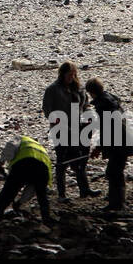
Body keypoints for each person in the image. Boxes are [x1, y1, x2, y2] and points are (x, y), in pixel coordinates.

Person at [85, 77, 133, 212]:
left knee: (113, 172)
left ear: (91, 92)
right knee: (116, 171)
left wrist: (98, 147)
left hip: (119, 144)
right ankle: (117, 199)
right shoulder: (111, 101)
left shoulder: (103, 106)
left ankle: (116, 203)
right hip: (124, 141)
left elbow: (107, 130)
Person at [42, 61, 94, 200]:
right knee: (62, 162)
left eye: (73, 74)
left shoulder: (79, 88)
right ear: (62, 74)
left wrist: (88, 116)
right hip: (61, 130)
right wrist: (55, 120)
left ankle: (85, 189)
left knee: (80, 158)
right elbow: (47, 109)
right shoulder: (52, 89)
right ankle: (61, 194)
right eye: (69, 75)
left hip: (79, 128)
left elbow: (86, 105)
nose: (71, 77)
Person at [0, 133, 54, 225]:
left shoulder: (20, 138)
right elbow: (31, 189)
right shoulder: (41, 149)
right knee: (42, 198)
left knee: (6, 195)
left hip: (22, 165)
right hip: (43, 171)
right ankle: (47, 221)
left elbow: (11, 146)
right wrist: (20, 202)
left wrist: (1, 161)